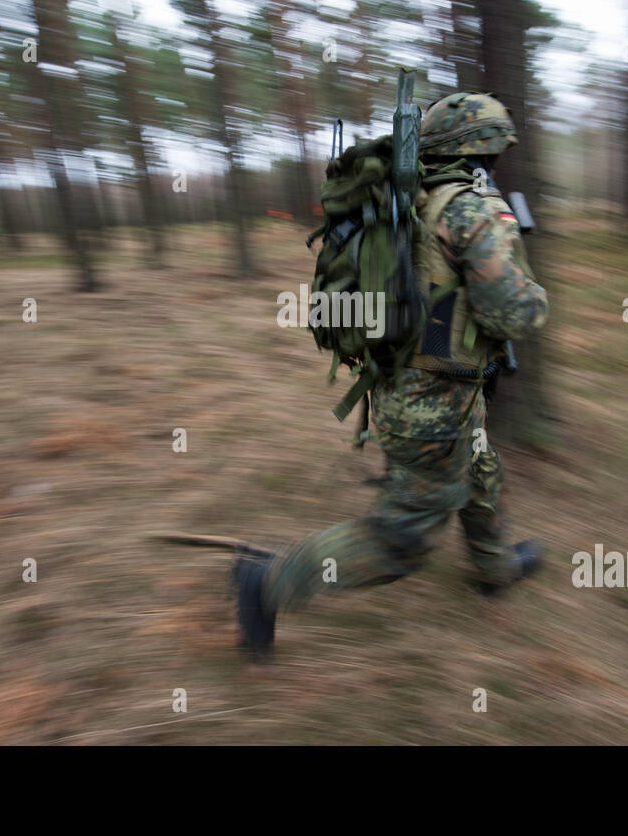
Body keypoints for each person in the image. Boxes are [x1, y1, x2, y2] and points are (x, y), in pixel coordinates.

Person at [233, 92, 550, 655]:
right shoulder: (473, 209)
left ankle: (494, 566)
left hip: (418, 381)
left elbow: (439, 299)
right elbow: (513, 313)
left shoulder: (411, 200)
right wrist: (535, 293)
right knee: (403, 537)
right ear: (482, 149)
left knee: (479, 462)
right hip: (432, 400)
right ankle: (269, 582)